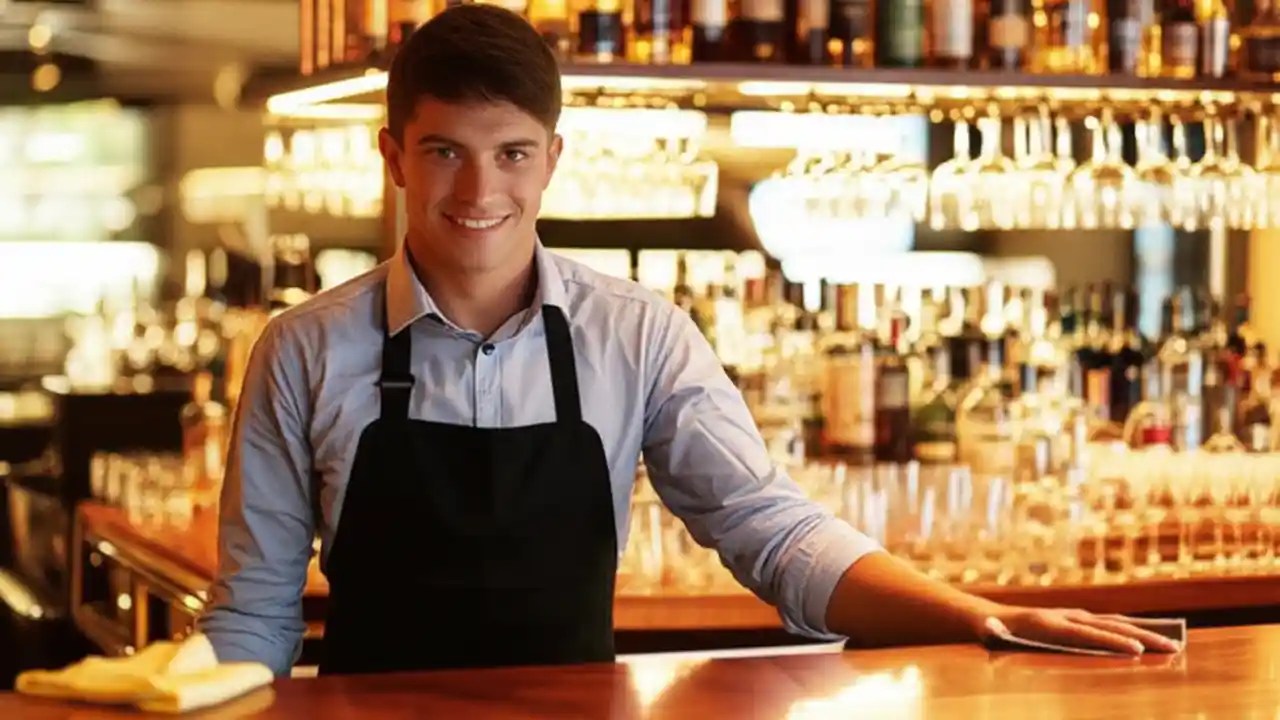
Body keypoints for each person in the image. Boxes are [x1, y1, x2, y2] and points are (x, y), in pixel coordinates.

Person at [199, 4, 1181, 676]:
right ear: (394, 158)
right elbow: (254, 614)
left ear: (552, 159)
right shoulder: (303, 350)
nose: (479, 191)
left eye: (512, 154)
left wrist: (975, 614)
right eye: (444, 151)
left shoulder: (639, 334)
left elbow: (772, 531)